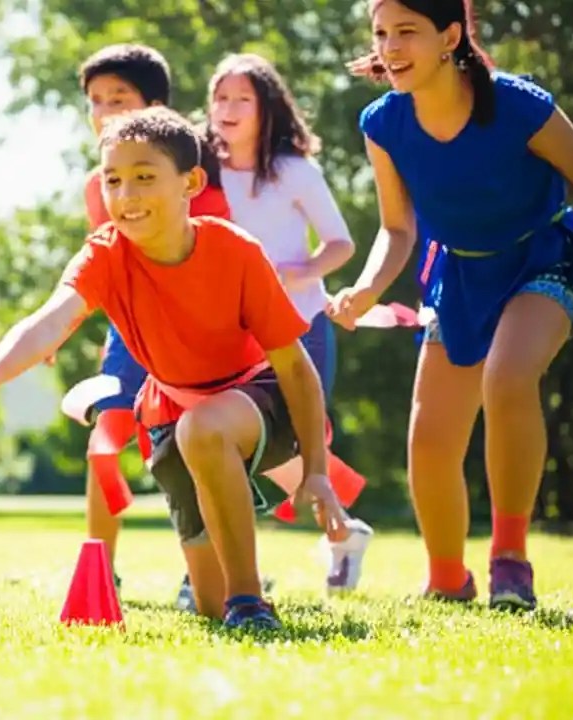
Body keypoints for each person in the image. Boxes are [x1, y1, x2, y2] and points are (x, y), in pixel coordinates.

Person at [0, 108, 347, 629]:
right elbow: (49, 322)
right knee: (208, 603)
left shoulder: (235, 250)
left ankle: (249, 603)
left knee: (203, 429)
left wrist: (317, 472)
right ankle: (233, 598)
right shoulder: (105, 255)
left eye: (144, 178)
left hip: (258, 401)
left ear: (191, 182)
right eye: (113, 181)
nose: (127, 196)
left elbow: (296, 370)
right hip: (172, 417)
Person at [331, 0, 573, 610]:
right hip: (459, 274)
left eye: (407, 31)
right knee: (429, 438)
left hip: (541, 255)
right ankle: (446, 579)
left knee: (508, 378)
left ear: (450, 37)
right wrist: (366, 288)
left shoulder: (518, 104)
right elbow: (397, 229)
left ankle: (510, 560)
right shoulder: (382, 123)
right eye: (382, 34)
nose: (391, 46)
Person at [207, 52, 373, 594]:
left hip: (299, 326)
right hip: (228, 333)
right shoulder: (198, 173)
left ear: (267, 108)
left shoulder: (295, 171)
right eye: (220, 97)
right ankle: (235, 567)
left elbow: (341, 242)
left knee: (297, 446)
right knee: (222, 444)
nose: (228, 109)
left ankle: (339, 535)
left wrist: (302, 269)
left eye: (242, 99)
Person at [73, 43, 231, 601]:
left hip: (199, 334)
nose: (105, 111)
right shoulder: (98, 187)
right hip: (131, 332)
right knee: (107, 431)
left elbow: (217, 265)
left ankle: (205, 573)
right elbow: (98, 262)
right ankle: (99, 571)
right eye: (95, 101)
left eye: (119, 98)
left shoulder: (198, 185)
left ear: (156, 108)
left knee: (196, 447)